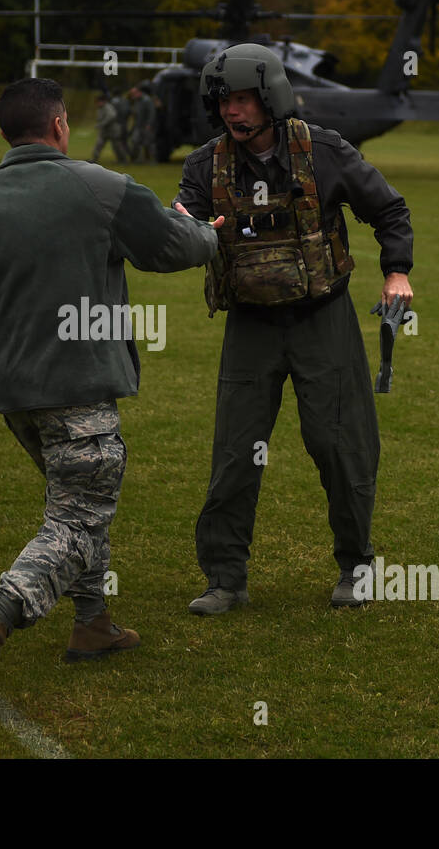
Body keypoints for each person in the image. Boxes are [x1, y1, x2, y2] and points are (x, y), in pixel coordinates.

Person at [0, 77, 221, 720]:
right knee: (78, 519)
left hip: (13, 394)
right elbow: (170, 247)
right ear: (59, 126)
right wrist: (209, 234)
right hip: (77, 385)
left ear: (4, 136)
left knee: (78, 504)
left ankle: (94, 624)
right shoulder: (101, 185)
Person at [173, 43, 414, 616]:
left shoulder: (323, 151)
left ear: (269, 97)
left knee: (340, 446)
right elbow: (184, 222)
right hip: (250, 326)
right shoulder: (204, 164)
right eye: (223, 102)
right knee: (235, 453)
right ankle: (225, 580)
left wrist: (397, 272)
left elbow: (389, 209)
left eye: (242, 100)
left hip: (320, 317)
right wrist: (180, 227)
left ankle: (357, 566)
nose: (232, 112)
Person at [89, 92, 126, 164]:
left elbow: (111, 116)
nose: (97, 103)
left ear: (103, 101)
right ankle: (94, 159)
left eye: (99, 102)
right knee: (98, 145)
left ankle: (123, 159)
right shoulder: (100, 108)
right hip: (104, 131)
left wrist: (102, 124)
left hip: (113, 130)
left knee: (117, 146)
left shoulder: (108, 107)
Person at [129, 81, 157, 163]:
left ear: (138, 92)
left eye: (133, 94)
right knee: (135, 141)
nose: (132, 96)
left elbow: (152, 113)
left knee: (149, 143)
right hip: (138, 126)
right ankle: (135, 159)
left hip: (146, 126)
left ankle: (153, 159)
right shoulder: (137, 101)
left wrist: (149, 124)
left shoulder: (147, 100)